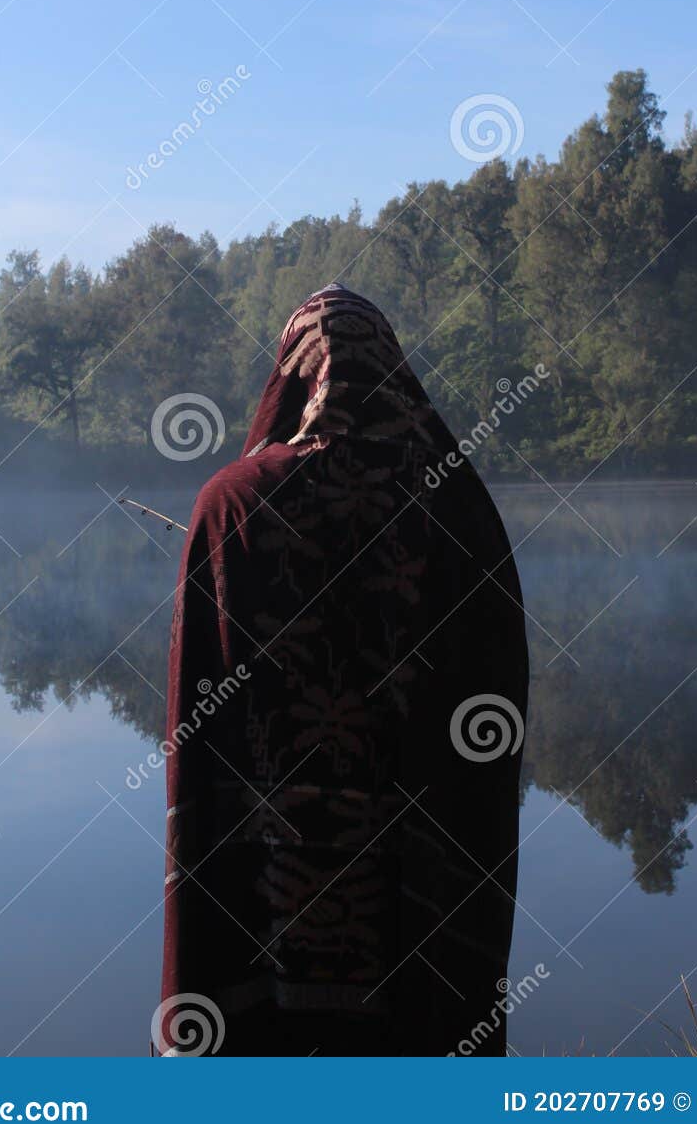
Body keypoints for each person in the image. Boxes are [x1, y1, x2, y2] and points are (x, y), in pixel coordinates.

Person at [154, 283, 528, 1056]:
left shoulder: (231, 503)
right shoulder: (458, 506)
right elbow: (493, 683)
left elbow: (199, 714)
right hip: (418, 877)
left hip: (269, 877)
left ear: (291, 375)